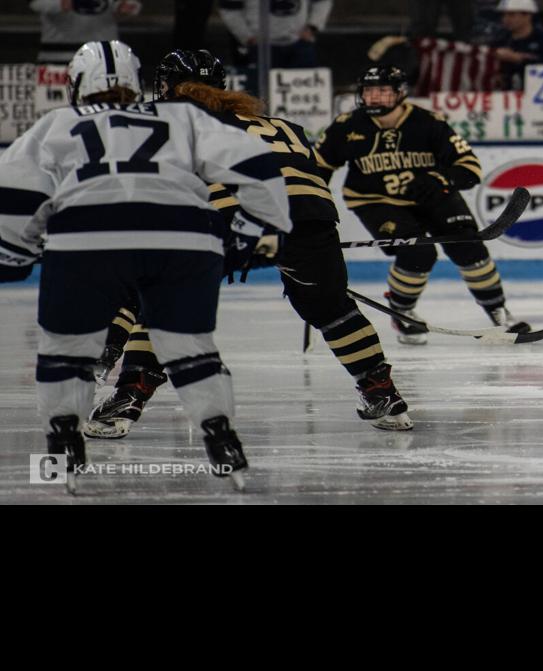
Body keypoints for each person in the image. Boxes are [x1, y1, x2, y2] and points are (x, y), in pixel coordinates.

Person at [0, 40, 291, 492]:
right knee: (191, 347)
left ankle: (64, 448)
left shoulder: (57, 124)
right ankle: (222, 441)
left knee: (66, 350)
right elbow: (259, 167)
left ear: (77, 83)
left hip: (88, 238)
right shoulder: (182, 118)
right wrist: (250, 231)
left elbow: (15, 194)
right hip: (183, 237)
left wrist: (16, 251)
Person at [87, 49, 412, 437]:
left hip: (233, 214)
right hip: (311, 218)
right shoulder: (284, 126)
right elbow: (306, 181)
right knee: (332, 309)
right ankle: (383, 396)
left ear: (169, 87)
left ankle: (123, 387)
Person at [313, 65, 527, 344]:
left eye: (382, 91)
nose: (373, 97)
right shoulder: (346, 126)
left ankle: (498, 311)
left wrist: (441, 179)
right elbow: (317, 168)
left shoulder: (428, 122)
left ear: (400, 93)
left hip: (434, 196)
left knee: (469, 247)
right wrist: (310, 205)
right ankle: (402, 311)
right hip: (375, 200)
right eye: (368, 90)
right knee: (417, 253)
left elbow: (469, 167)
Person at [218, 0, 329, 77]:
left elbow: (322, 2)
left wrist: (312, 26)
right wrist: (248, 37)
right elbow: (229, 9)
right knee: (258, 96)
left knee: (302, 94)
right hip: (259, 48)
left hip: (300, 45)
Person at [32, 0, 140, 66]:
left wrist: (124, 8)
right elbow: (37, 4)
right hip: (57, 59)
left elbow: (130, 7)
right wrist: (66, 3)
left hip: (104, 59)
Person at [489, 0, 543, 91]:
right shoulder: (501, 41)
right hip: (508, 94)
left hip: (541, 91)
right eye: (504, 15)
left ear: (527, 16)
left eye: (511, 15)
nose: (506, 19)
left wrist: (519, 59)